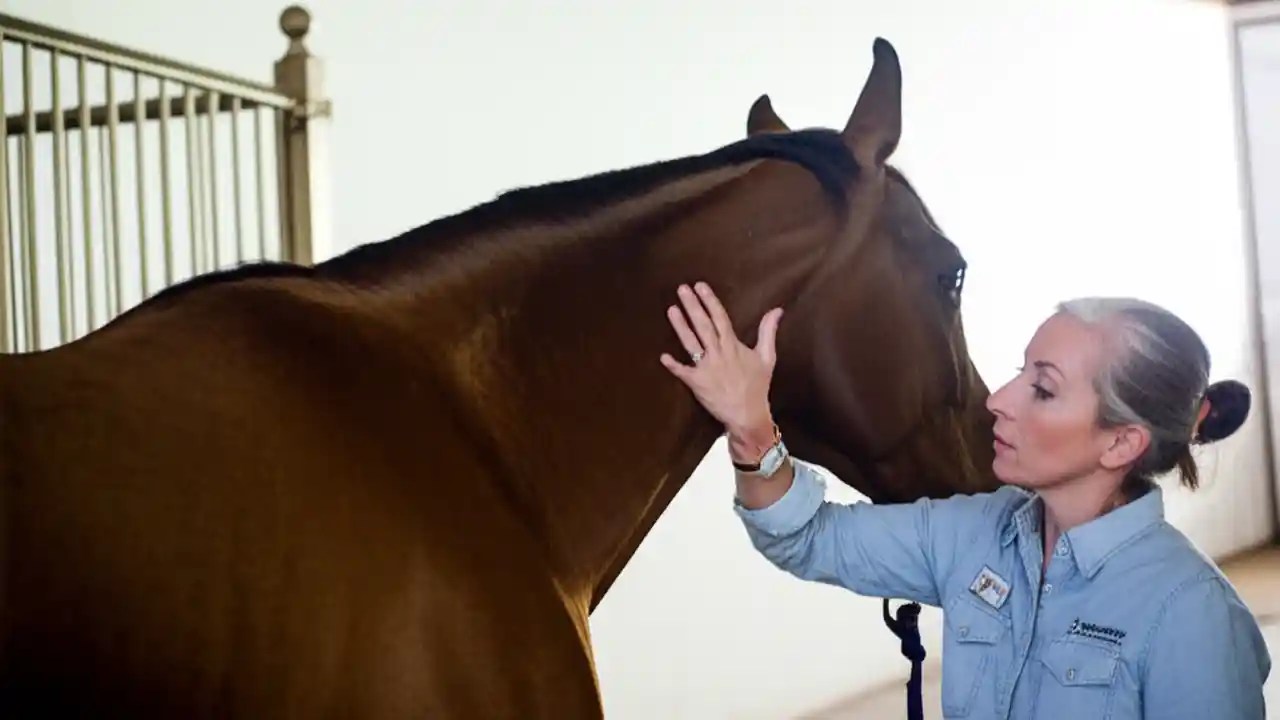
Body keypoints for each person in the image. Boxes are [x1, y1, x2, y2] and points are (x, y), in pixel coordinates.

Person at [659, 281, 1271, 719]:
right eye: (1020, 371)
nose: (998, 399)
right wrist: (749, 425)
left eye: (1043, 389)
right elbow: (806, 537)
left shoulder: (1194, 619)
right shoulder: (973, 535)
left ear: (1120, 442)